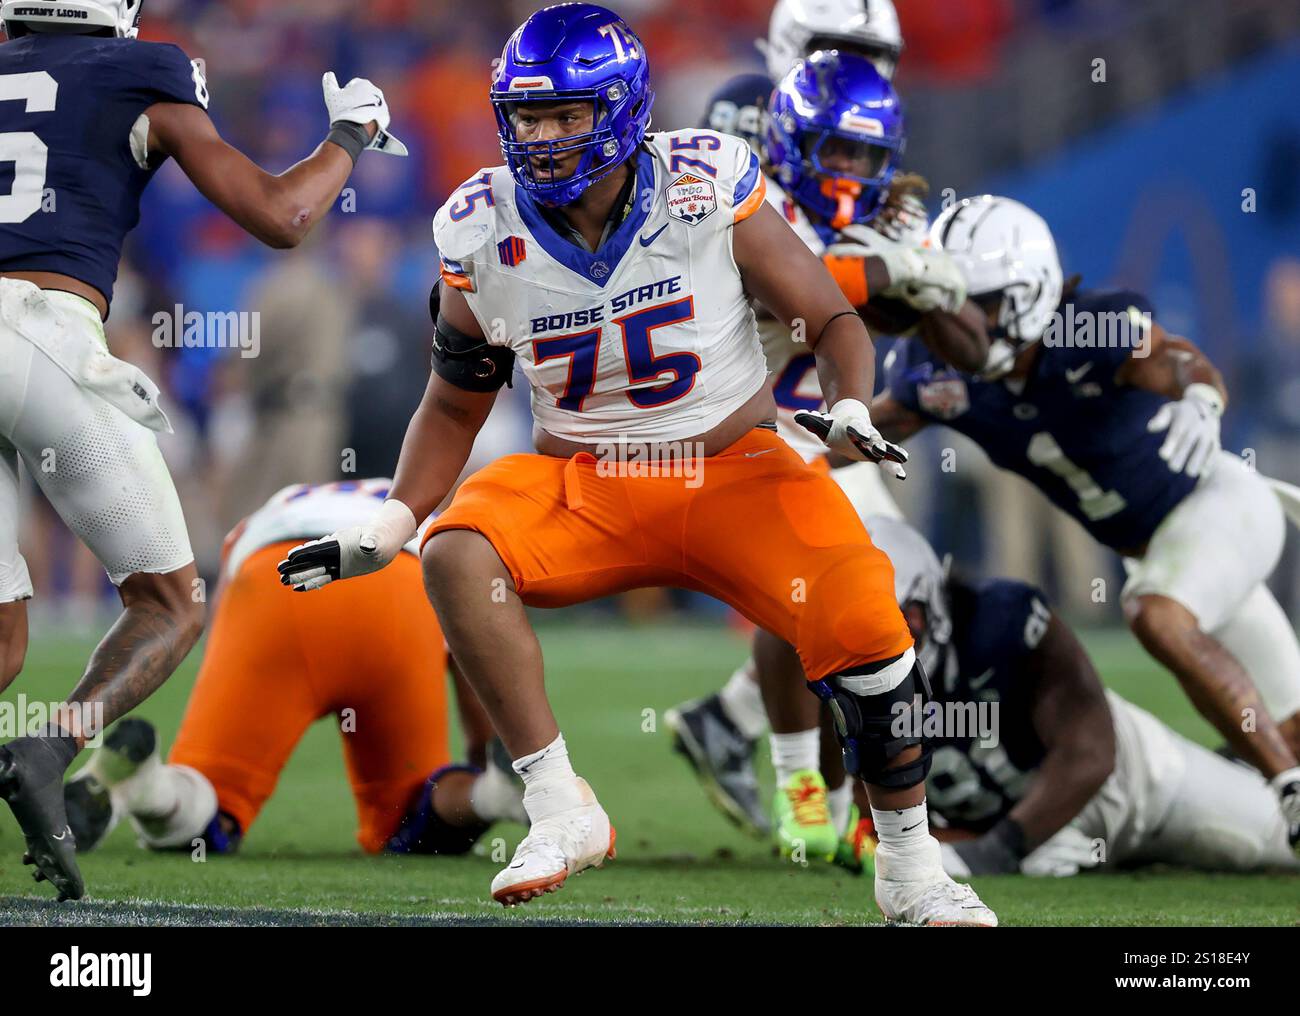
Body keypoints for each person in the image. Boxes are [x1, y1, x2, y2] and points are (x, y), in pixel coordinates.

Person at [280, 3, 996, 926]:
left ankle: (910, 867)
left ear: (619, 109)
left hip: (737, 470)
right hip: (587, 487)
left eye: (566, 115)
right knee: (457, 549)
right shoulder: (479, 223)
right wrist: (393, 519)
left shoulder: (703, 181)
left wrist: (851, 400)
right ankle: (560, 806)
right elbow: (456, 403)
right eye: (528, 117)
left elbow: (832, 316)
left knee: (867, 614)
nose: (541, 138)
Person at [0, 0, 404, 900]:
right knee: (171, 605)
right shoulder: (141, 67)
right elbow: (283, 214)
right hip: (42, 330)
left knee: (2, 642)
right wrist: (350, 134)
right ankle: (51, 746)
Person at [874, 195, 1300, 846]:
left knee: (1155, 613)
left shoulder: (1087, 328)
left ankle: (1289, 793)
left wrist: (1200, 395)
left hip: (1218, 507)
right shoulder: (941, 371)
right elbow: (862, 430)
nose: (958, 324)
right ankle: (1283, 773)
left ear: (1030, 293)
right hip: (1161, 548)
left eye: (977, 304)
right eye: (949, 303)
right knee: (1285, 725)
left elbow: (1179, 357)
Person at [62, 478, 524, 860]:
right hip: (398, 587)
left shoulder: (272, 508)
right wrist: (488, 753)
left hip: (276, 576)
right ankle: (491, 794)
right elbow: (473, 637)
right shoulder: (432, 519)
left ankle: (154, 789)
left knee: (211, 805)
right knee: (411, 820)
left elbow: (223, 618)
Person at [862, 515, 1298, 877]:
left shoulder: (1001, 623)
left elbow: (1090, 750)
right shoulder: (841, 679)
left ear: (931, 600)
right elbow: (869, 815)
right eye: (869, 627)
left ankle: (1244, 768)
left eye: (902, 618)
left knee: (1276, 843)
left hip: (1129, 785)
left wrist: (1002, 848)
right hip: (1032, 830)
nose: (890, 639)